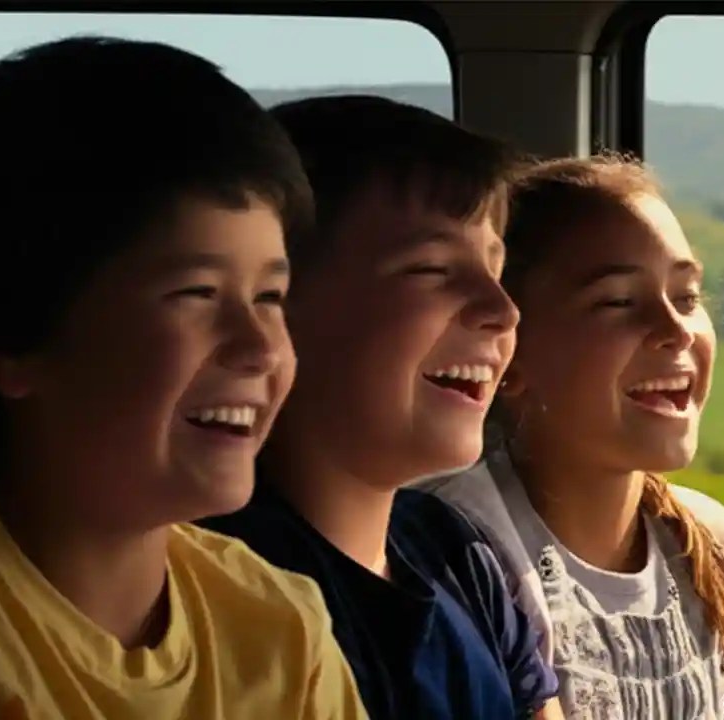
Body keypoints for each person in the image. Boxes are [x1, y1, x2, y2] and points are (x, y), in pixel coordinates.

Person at [0, 37, 366, 719]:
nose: (261, 347)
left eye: (269, 298)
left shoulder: (281, 622)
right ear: (0, 339)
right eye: (196, 293)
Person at [201, 96, 562, 720]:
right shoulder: (231, 595)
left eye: (495, 269)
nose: (502, 311)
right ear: (276, 305)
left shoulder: (452, 550)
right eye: (430, 268)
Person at [419, 155, 724, 719]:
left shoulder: (710, 548)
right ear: (512, 351)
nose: (675, 330)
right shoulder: (466, 554)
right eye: (618, 302)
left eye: (689, 297)